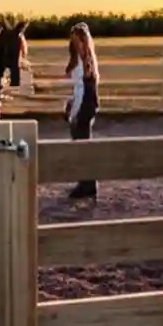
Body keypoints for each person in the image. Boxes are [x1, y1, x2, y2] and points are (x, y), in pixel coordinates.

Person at [63, 22, 100, 198]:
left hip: (84, 104)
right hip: (87, 102)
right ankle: (88, 182)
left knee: (81, 143)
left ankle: (86, 184)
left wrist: (73, 112)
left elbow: (81, 89)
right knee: (83, 142)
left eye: (77, 40)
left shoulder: (83, 62)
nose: (75, 44)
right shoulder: (85, 60)